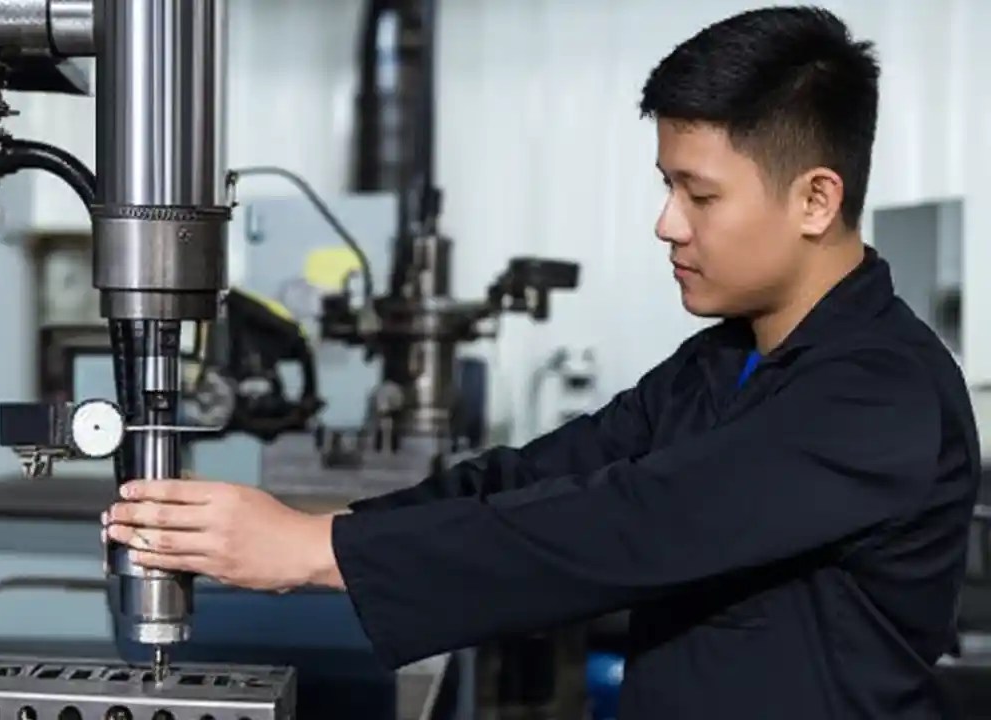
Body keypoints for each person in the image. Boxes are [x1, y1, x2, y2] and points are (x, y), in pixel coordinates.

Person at [103, 6, 980, 718]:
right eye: (665, 185)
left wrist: (313, 552)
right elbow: (534, 479)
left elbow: (632, 522)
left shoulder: (879, 389)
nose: (667, 223)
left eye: (699, 193)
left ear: (816, 199)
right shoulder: (723, 363)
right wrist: (307, 532)